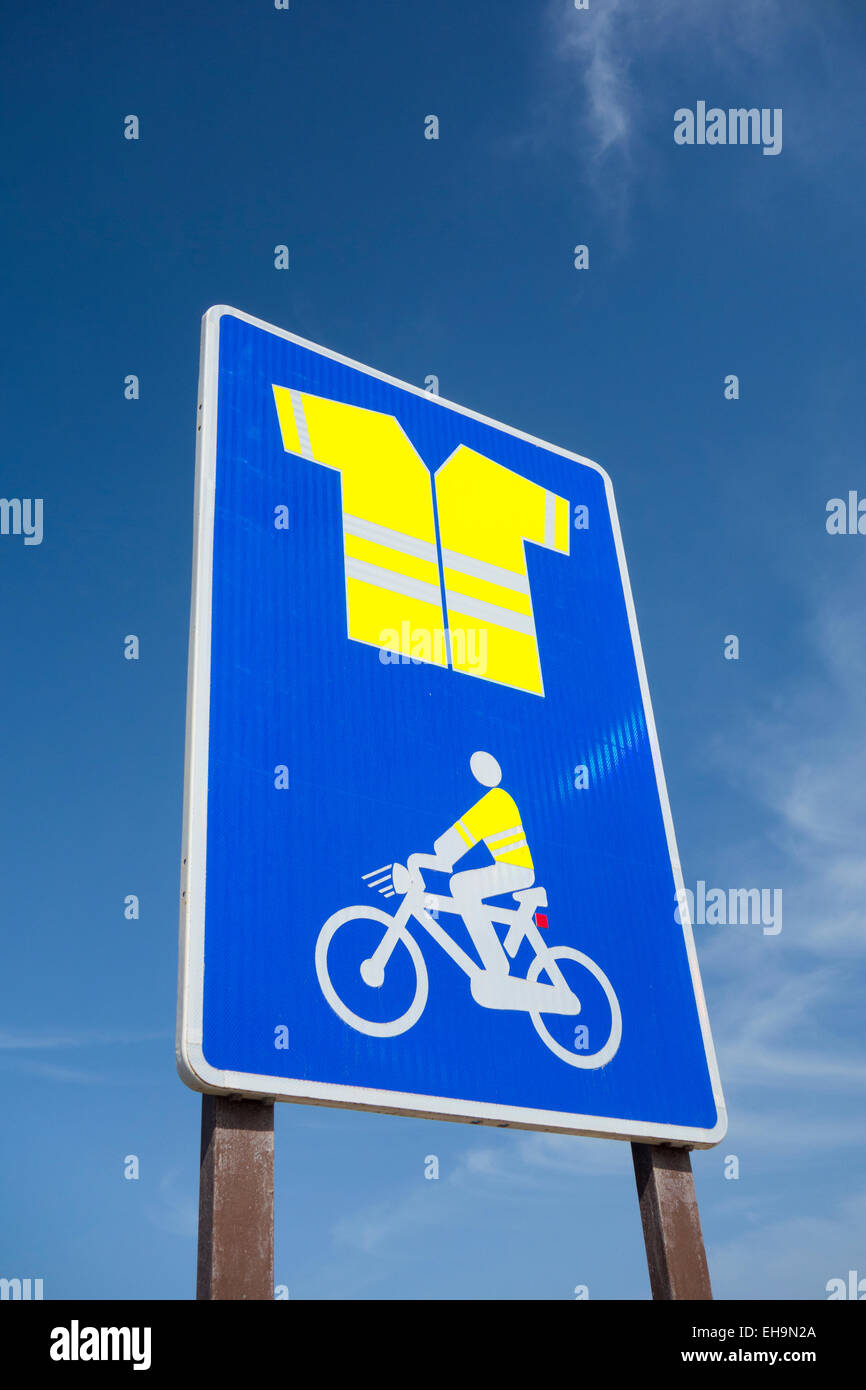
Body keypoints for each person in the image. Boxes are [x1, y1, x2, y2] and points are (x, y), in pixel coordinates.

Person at [411, 751, 535, 978]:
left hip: (516, 869)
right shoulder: (498, 799)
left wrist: (437, 858)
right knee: (461, 885)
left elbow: (459, 838)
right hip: (512, 867)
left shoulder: (495, 801)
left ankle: (497, 967)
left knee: (461, 886)